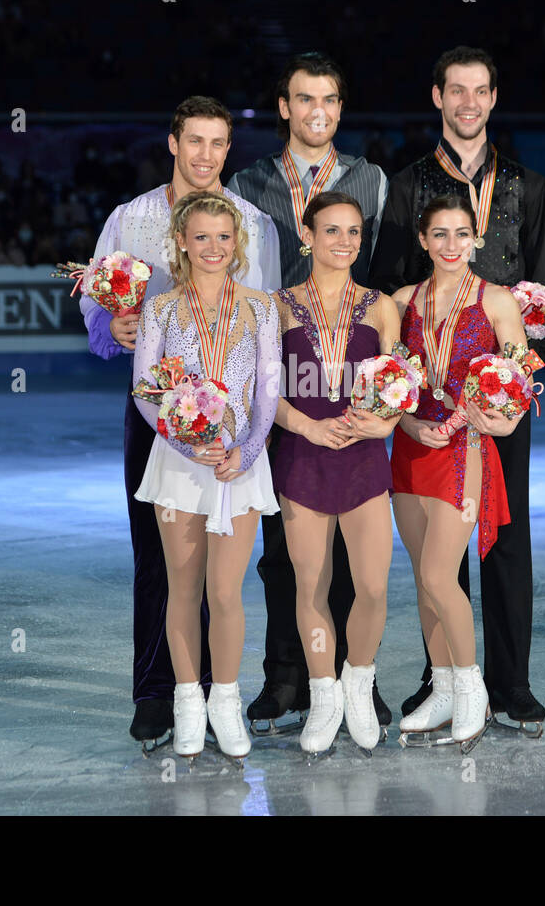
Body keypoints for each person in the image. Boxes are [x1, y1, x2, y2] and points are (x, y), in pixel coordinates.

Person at [369, 46, 545, 735]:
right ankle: (440, 677)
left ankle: (511, 683)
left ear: (493, 99)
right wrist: (399, 391)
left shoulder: (528, 187)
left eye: (481, 90)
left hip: (499, 404)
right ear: (437, 97)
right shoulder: (406, 185)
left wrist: (511, 387)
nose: (468, 103)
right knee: (431, 550)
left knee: (507, 538)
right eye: (457, 90)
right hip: (429, 407)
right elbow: (388, 297)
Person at [79, 96, 281, 753]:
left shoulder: (251, 223)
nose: (205, 155)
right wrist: (112, 327)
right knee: (159, 557)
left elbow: (268, 322)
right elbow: (95, 307)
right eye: (194, 140)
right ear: (173, 142)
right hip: (159, 415)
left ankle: (221, 689)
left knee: (225, 569)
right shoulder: (130, 220)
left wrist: (252, 433)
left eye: (218, 143)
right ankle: (156, 692)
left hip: (236, 426)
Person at [226, 52, 390, 735]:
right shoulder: (248, 182)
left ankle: (359, 682)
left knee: (357, 561)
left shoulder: (370, 181)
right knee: (282, 551)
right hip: (279, 380)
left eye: (328, 98)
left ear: (340, 108)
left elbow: (374, 264)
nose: (316, 110)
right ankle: (287, 678)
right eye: (303, 99)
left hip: (346, 379)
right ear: (284, 107)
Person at [131, 190, 282, 763]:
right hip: (181, 464)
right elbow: (146, 390)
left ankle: (225, 701)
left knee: (226, 592)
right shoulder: (161, 309)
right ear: (182, 243)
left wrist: (248, 449)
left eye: (223, 237)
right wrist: (182, 439)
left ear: (236, 242)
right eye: (201, 237)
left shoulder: (262, 307)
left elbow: (269, 388)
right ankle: (188, 703)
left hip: (240, 463)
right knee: (184, 589)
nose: (213, 247)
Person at [389, 195, 529, 749]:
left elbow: (519, 386)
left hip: (463, 448)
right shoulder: (401, 301)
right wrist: (405, 423)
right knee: (424, 579)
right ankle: (444, 687)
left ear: (476, 238)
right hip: (410, 450)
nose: (452, 245)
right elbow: (385, 382)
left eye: (462, 234)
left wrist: (501, 422)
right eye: (440, 234)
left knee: (439, 575)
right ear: (423, 241)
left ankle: (473, 690)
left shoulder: (497, 301)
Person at [270, 191, 400, 756]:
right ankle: (323, 695)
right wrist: (307, 428)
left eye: (354, 232)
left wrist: (386, 422)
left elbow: (402, 380)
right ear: (308, 235)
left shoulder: (381, 305)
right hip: (304, 456)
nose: (344, 242)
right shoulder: (275, 306)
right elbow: (264, 390)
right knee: (311, 585)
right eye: (332, 231)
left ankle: (358, 682)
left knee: (372, 586)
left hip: (364, 458)